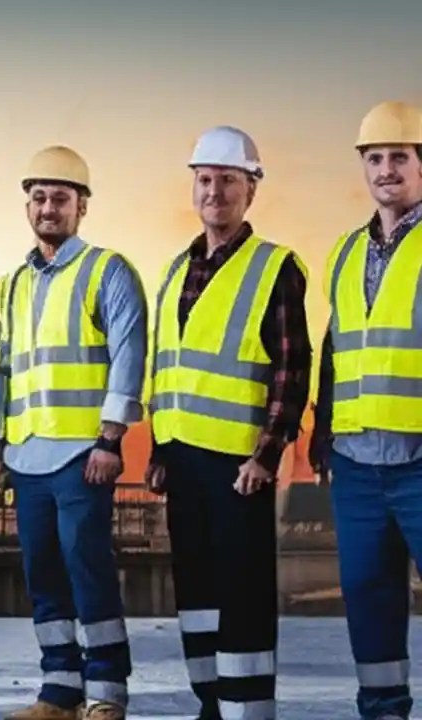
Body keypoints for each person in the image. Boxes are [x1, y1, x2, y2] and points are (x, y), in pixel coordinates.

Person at [145, 126, 311, 720]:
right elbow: (166, 367)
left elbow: (291, 369)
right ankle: (210, 705)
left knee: (242, 593)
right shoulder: (173, 271)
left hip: (240, 465)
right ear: (194, 186)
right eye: (206, 180)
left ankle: (249, 709)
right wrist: (160, 450)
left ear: (251, 190)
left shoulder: (274, 268)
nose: (215, 192)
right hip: (184, 459)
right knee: (196, 593)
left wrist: (266, 456)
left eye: (228, 181)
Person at [0, 146, 146, 720]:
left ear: (82, 206)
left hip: (82, 455)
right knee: (44, 574)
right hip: (27, 457)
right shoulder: (13, 284)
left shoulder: (108, 271)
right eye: (38, 198)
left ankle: (106, 691)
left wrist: (110, 440)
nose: (47, 208)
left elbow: (129, 356)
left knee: (88, 567)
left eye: (59, 198)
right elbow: (6, 366)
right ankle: (59, 689)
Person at [310, 99, 422, 720]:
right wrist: (322, 426)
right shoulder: (347, 252)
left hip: (418, 459)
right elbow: (337, 343)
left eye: (398, 157)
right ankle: (382, 710)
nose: (385, 170)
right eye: (374, 158)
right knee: (368, 595)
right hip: (356, 461)